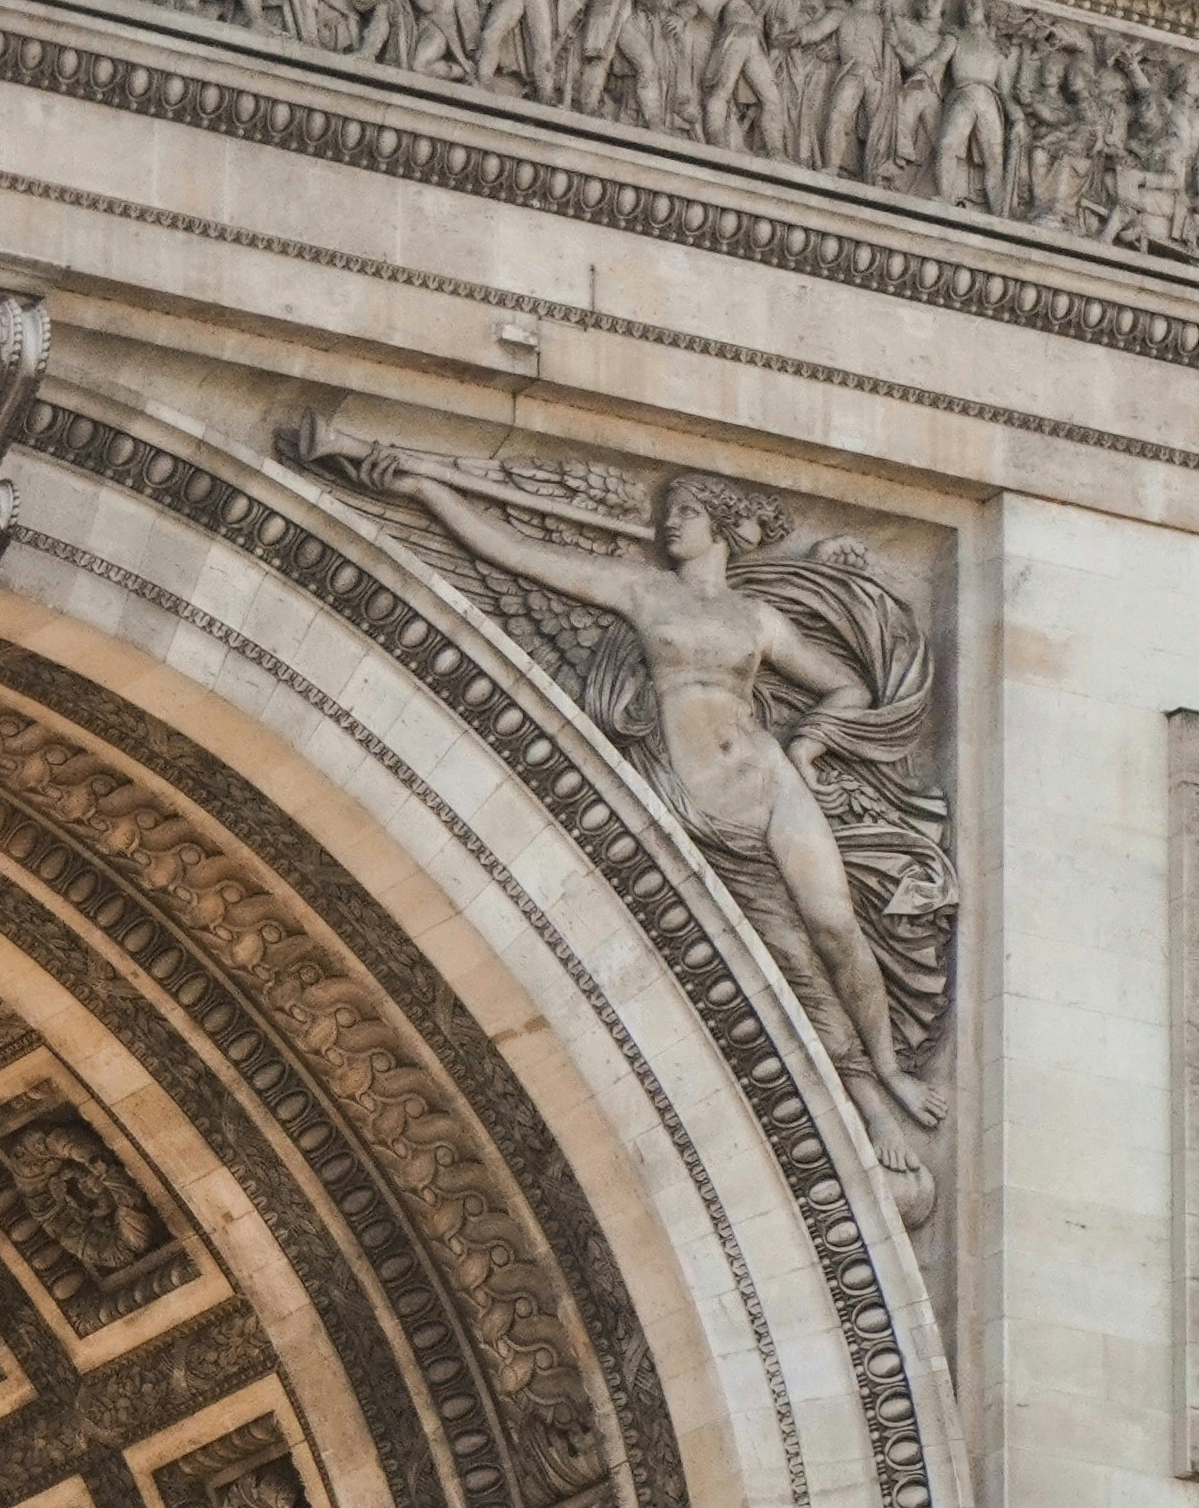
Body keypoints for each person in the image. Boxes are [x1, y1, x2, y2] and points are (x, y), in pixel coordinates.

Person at [390, 464, 938, 1125]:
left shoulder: (757, 618)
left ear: (720, 526)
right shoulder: (643, 590)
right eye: (668, 510)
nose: (667, 523)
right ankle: (866, 1098)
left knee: (836, 926)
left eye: (685, 512)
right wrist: (428, 492)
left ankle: (891, 1069)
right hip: (697, 797)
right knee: (789, 952)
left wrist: (807, 744)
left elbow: (846, 686)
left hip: (769, 780)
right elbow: (513, 552)